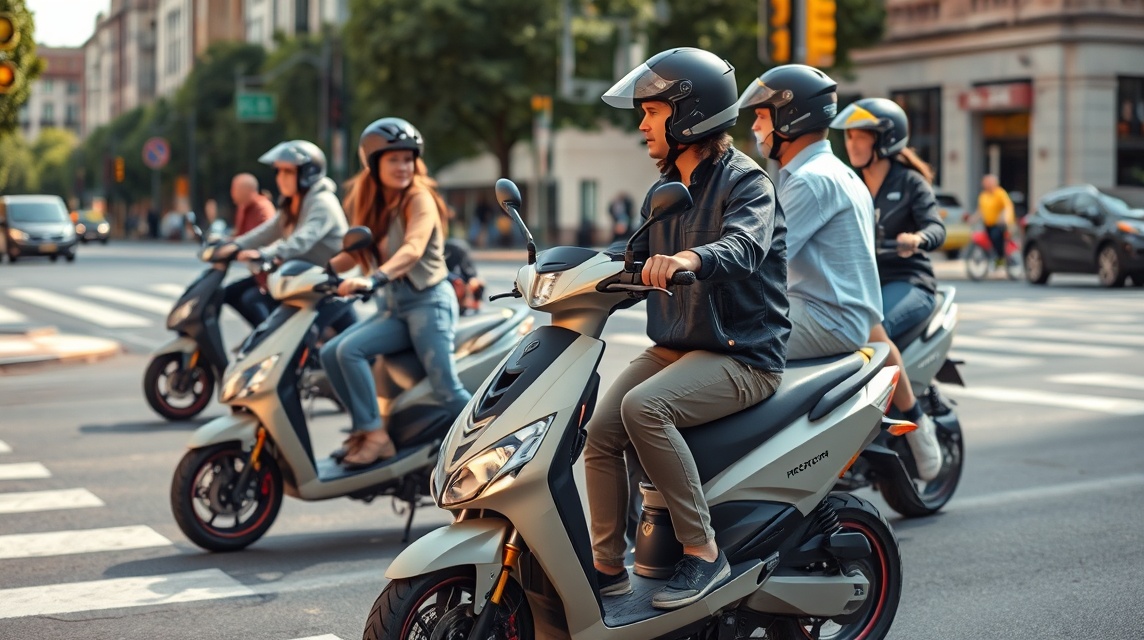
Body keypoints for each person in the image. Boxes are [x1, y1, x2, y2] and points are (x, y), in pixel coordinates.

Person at [586, 47, 789, 610]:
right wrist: (564, 272)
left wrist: (687, 261)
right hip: (678, 345)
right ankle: (608, 568)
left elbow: (743, 246)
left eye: (650, 112)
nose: (642, 124)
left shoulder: (748, 183)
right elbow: (630, 258)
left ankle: (704, 554)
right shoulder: (666, 190)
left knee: (643, 409)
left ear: (687, 116)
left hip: (742, 353)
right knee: (598, 430)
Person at [321, 117, 471, 468]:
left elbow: (413, 247)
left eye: (408, 158)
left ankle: (497, 440)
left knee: (446, 388)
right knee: (334, 352)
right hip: (395, 308)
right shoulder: (375, 202)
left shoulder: (419, 197)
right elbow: (358, 251)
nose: (404, 166)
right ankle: (371, 433)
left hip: (428, 305)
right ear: (374, 164)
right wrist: (317, 273)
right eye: (394, 159)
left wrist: (375, 278)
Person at [829, 97, 946, 481]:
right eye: (849, 137)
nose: (853, 144)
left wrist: (918, 237)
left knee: (870, 334)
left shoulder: (909, 182)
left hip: (909, 282)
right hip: (866, 283)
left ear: (887, 140)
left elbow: (937, 227)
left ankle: (918, 425)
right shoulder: (851, 182)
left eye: (862, 137)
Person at [737, 64, 882, 361]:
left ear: (789, 120)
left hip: (827, 320)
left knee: (720, 344)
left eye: (762, 116)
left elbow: (760, 258)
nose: (755, 127)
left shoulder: (810, 181)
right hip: (836, 316)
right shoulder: (839, 173)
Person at [225, 140, 348, 328]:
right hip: (304, 281)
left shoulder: (322, 202)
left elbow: (302, 240)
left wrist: (265, 254)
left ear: (308, 173)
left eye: (288, 171)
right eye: (278, 171)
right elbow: (268, 231)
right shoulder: (292, 202)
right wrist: (235, 245)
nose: (280, 177)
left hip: (333, 285)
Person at [974, 174, 1015, 266]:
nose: (986, 184)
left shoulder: (1000, 193)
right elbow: (980, 210)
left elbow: (1007, 207)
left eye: (988, 182)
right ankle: (993, 257)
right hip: (988, 224)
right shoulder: (983, 196)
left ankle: (1001, 258)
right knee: (988, 241)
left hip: (1000, 224)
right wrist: (972, 220)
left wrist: (1005, 217)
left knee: (996, 237)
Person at [231, 173, 275, 237]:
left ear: (245, 191)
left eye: (234, 189)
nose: (232, 194)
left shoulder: (263, 208)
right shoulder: (242, 207)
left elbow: (270, 236)